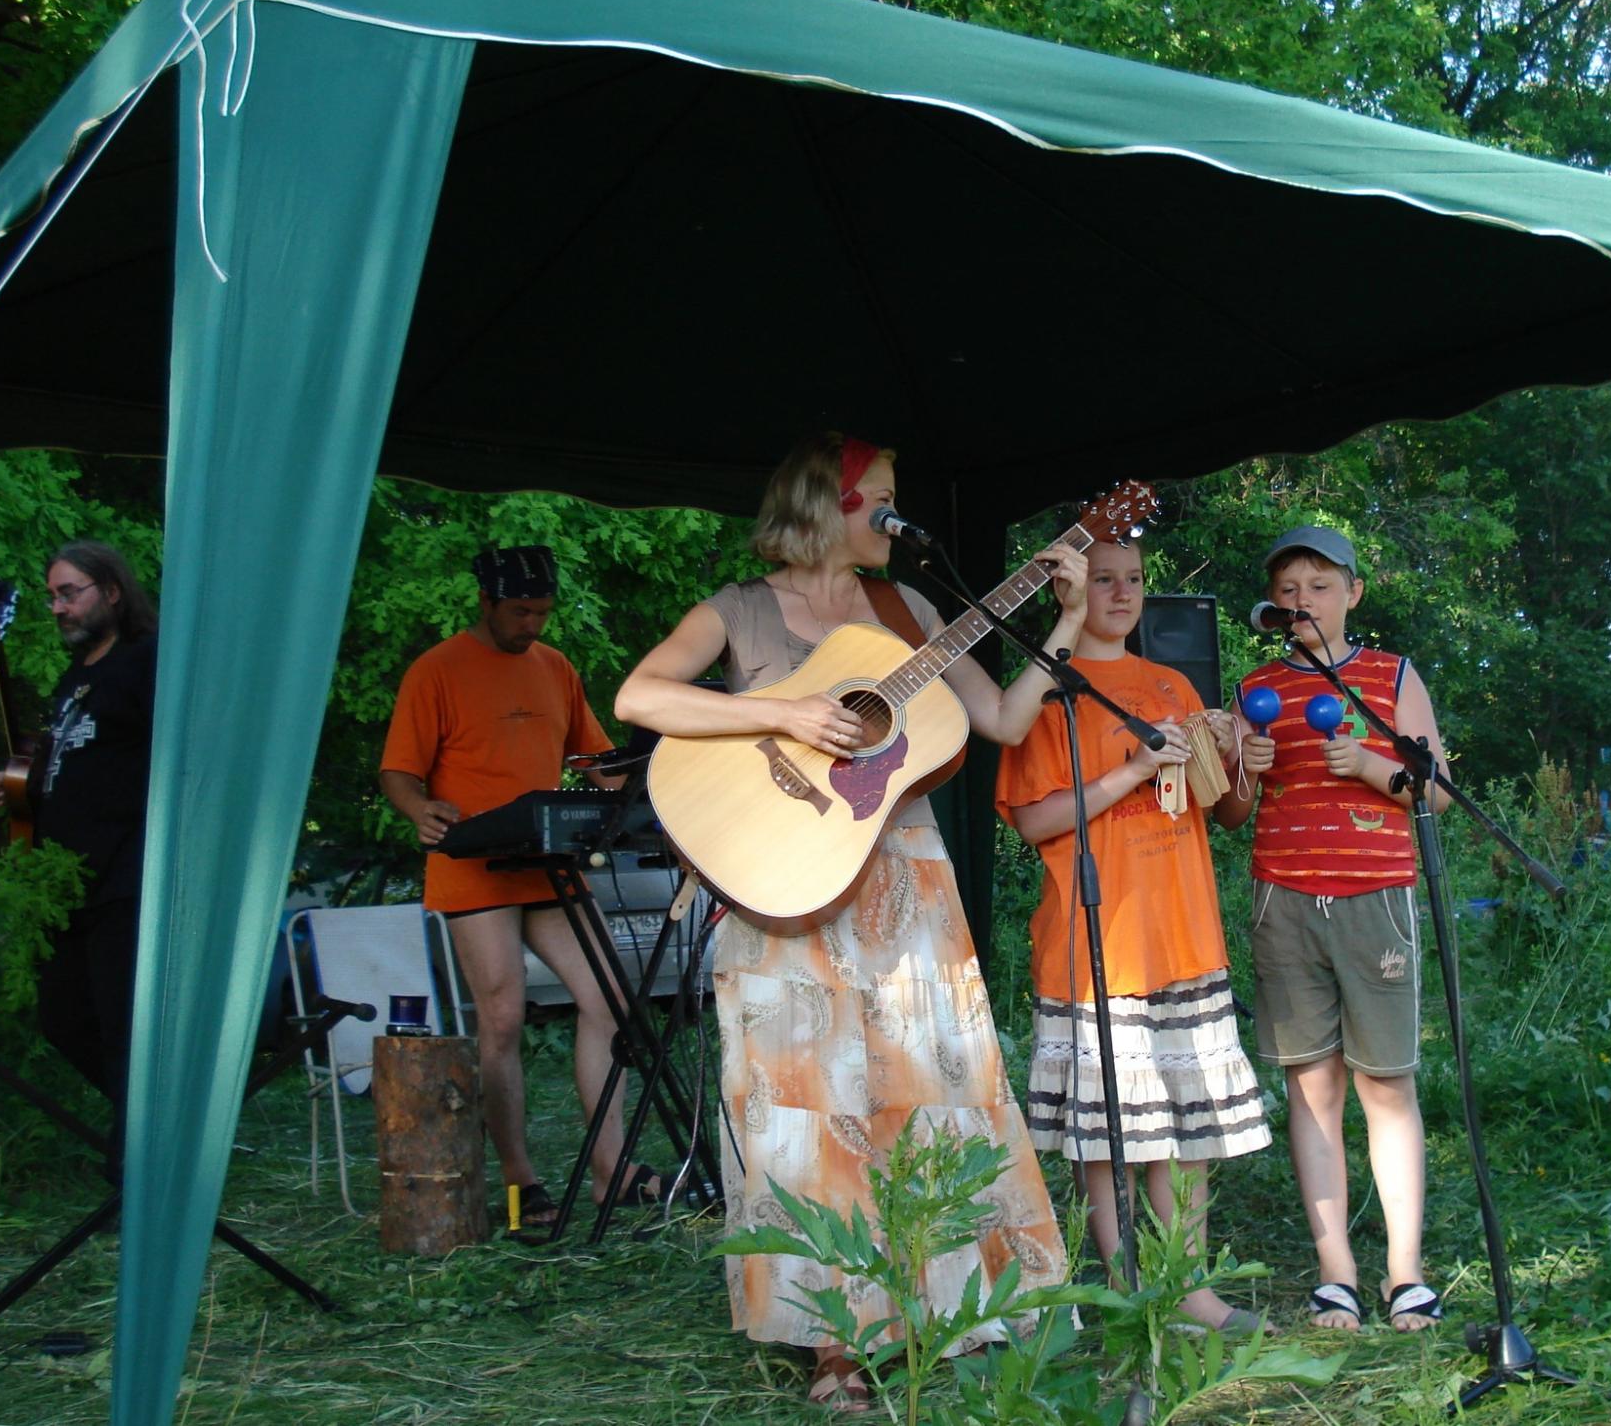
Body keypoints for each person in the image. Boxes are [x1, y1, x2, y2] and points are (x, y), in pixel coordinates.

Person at [614, 434, 1085, 1415]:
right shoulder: (735, 611)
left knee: (929, 1087)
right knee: (802, 1110)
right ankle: (836, 1343)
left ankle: (945, 1315)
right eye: (883, 499)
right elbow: (639, 697)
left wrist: (1070, 615)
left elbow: (997, 721)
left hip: (901, 879)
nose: (895, 516)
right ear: (829, 504)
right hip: (779, 883)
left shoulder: (906, 610)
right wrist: (781, 711)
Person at [995, 534, 1273, 1335]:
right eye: (1105, 580)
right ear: (1072, 591)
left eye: (1135, 580)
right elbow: (1034, 818)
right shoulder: (1053, 691)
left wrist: (1240, 761)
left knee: (1188, 1128)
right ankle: (1125, 1289)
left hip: (1183, 936)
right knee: (1109, 1133)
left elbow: (1226, 813)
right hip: (1097, 948)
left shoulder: (1173, 684)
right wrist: (1132, 772)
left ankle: (1188, 1291)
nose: (1122, 593)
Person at [1212, 525, 1449, 1333]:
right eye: (1287, 591)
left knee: (1386, 1084)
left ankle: (1405, 1273)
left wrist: (1377, 771)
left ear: (1352, 593)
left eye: (1318, 586)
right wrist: (1246, 767)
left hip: (1375, 896)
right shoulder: (1255, 687)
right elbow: (1233, 814)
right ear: (1272, 608)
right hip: (1283, 900)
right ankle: (1336, 1276)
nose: (1302, 601)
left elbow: (1439, 790)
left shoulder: (1393, 675)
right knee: (1312, 1091)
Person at [378, 545, 639, 1230]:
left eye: (542, 612)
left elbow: (591, 757)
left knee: (608, 996)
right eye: (521, 611)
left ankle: (611, 1169)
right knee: (502, 1018)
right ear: (486, 602)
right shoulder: (436, 670)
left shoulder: (555, 667)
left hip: (547, 865)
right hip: (472, 867)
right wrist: (417, 809)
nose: (533, 624)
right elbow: (398, 774)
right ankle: (521, 1181)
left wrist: (639, 794)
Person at [0, 541, 159, 1183]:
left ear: (112, 590)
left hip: (122, 872)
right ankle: (160, 1130)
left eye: (71, 592)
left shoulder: (147, 662)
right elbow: (62, 766)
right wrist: (15, 787)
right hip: (66, 881)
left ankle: (135, 1180)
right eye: (53, 595)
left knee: (121, 1028)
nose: (59, 607)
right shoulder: (75, 679)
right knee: (63, 1017)